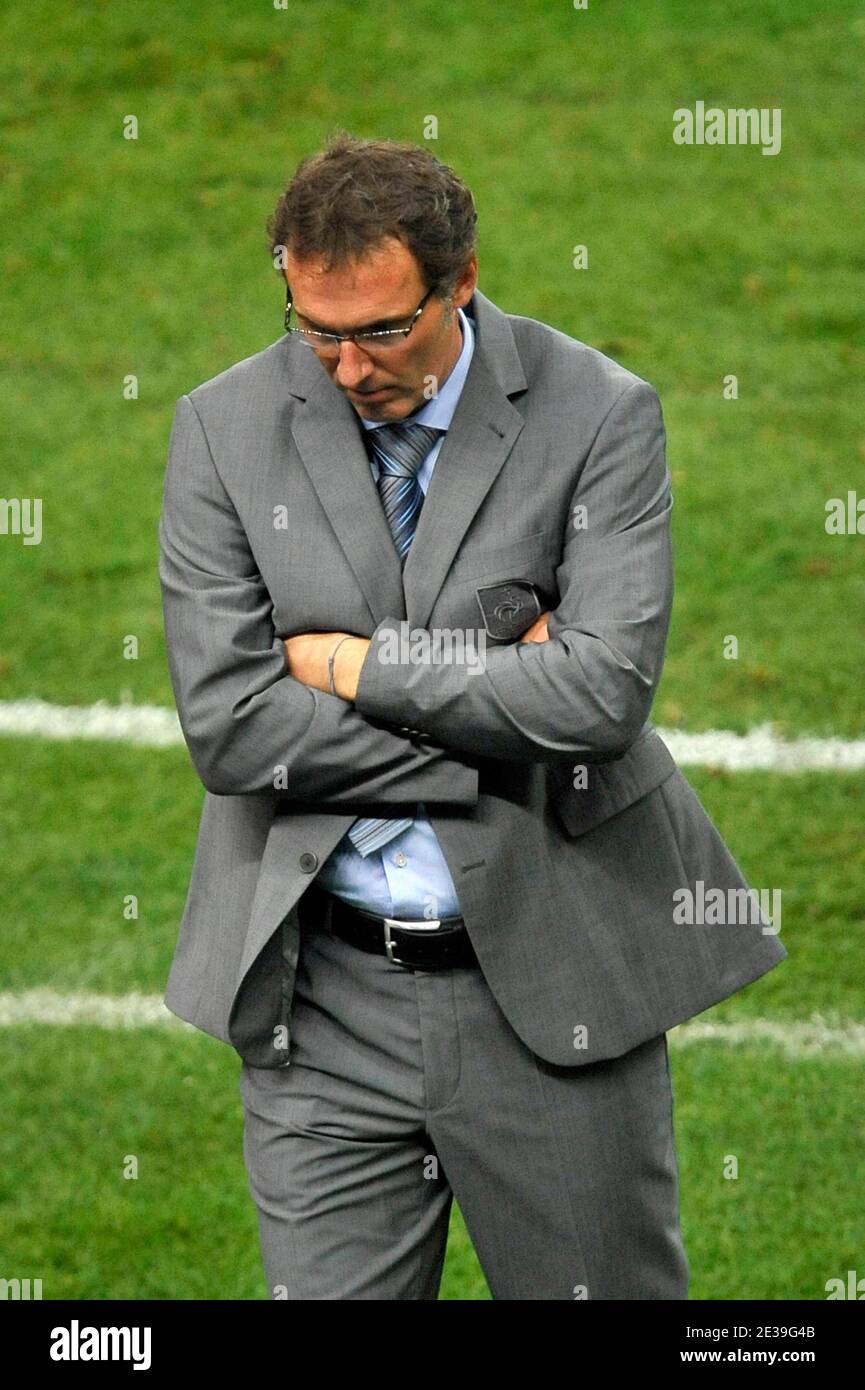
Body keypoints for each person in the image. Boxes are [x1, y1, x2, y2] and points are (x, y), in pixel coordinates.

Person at [158, 131, 787, 1300]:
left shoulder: (598, 413)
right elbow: (234, 729)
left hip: (554, 989)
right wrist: (500, 717)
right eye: (316, 328)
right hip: (321, 1004)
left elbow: (600, 696)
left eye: (381, 330)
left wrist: (350, 665)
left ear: (461, 282)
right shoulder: (221, 428)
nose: (346, 368)